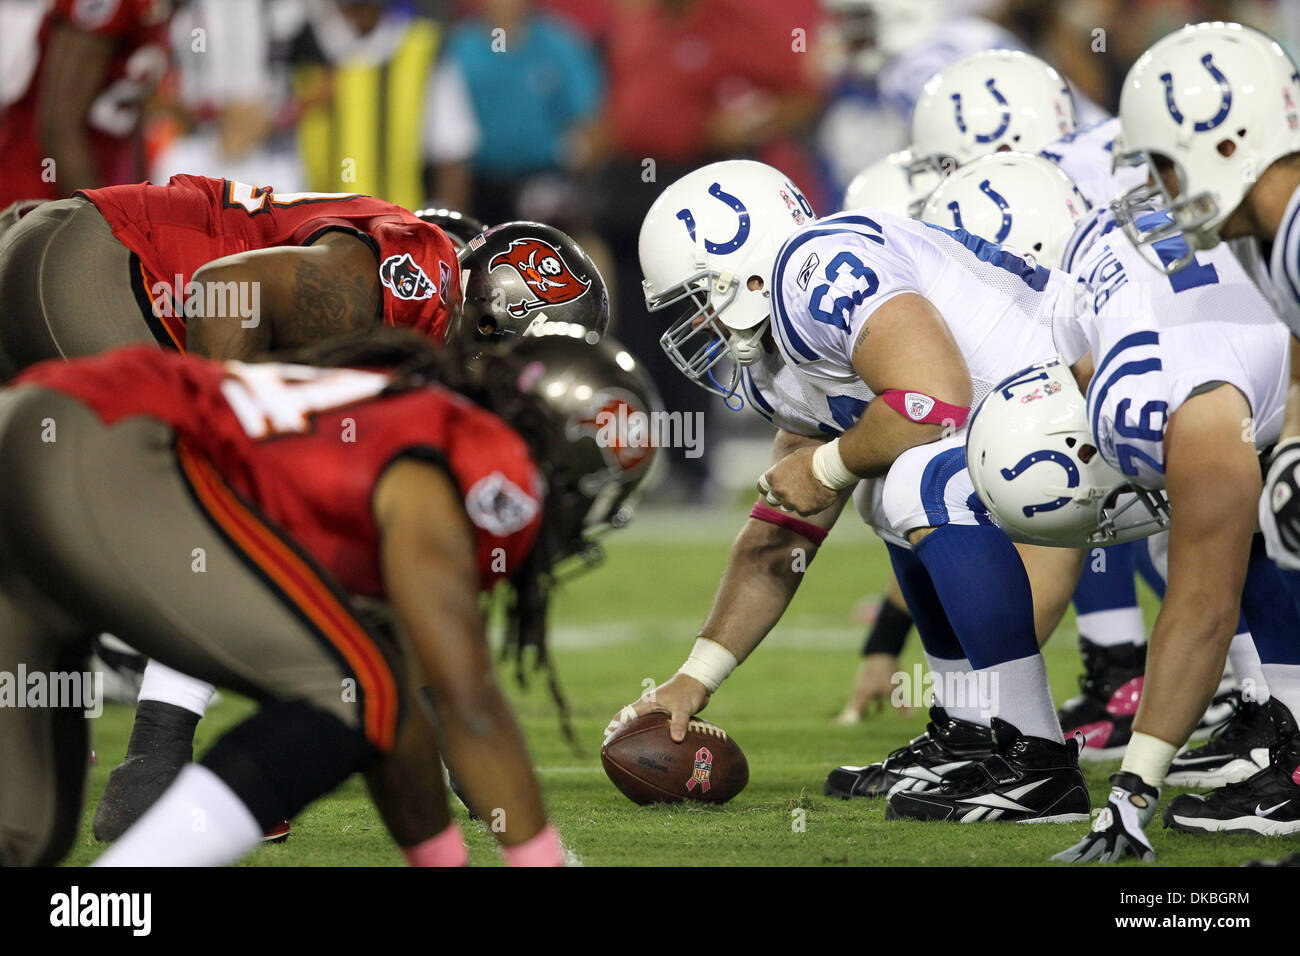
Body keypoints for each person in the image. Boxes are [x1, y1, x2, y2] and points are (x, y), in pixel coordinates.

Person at [0, 329, 655, 867]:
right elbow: (468, 702)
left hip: (42, 427)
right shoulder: (479, 460)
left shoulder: (404, 412)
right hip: (106, 449)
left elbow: (399, 725)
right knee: (356, 692)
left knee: (26, 836)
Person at [617, 158, 1094, 823]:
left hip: (1095, 390)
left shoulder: (818, 267)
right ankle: (969, 735)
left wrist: (827, 467)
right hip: (1041, 423)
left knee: (912, 477)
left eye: (701, 295)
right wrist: (695, 678)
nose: (699, 321)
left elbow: (933, 402)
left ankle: (1039, 766)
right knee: (884, 484)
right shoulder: (776, 360)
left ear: (749, 271)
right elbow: (781, 537)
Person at [967, 204, 1300, 858]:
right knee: (1260, 527)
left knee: (1271, 523)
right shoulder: (1075, 305)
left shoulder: (1180, 417)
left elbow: (1203, 606)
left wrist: (1130, 795)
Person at [0, 0, 174, 209]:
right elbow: (59, 128)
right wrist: (104, 223)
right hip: (33, 197)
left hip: (85, 188)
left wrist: (142, 212)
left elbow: (131, 120)